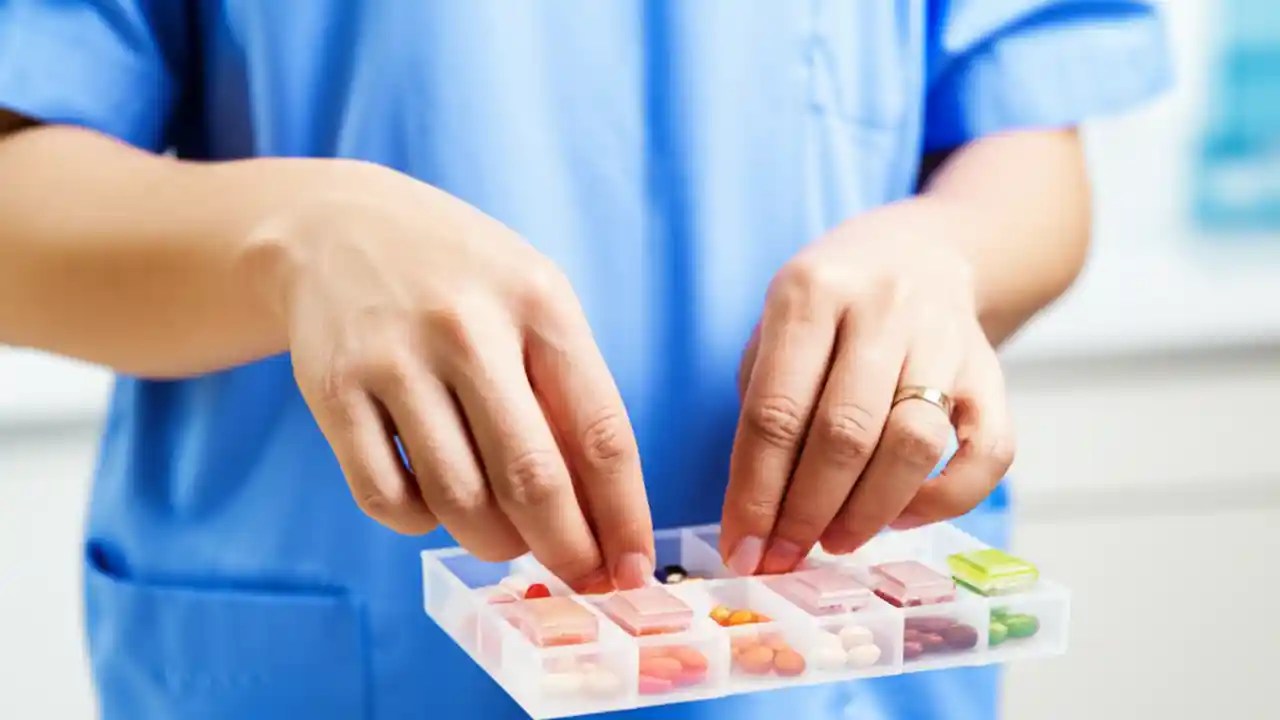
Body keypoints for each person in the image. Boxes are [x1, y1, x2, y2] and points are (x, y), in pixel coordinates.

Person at [0, 2, 1169, 718]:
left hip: (833, 654)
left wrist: (941, 252)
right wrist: (295, 239)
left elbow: (1024, 136)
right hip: (344, 646)